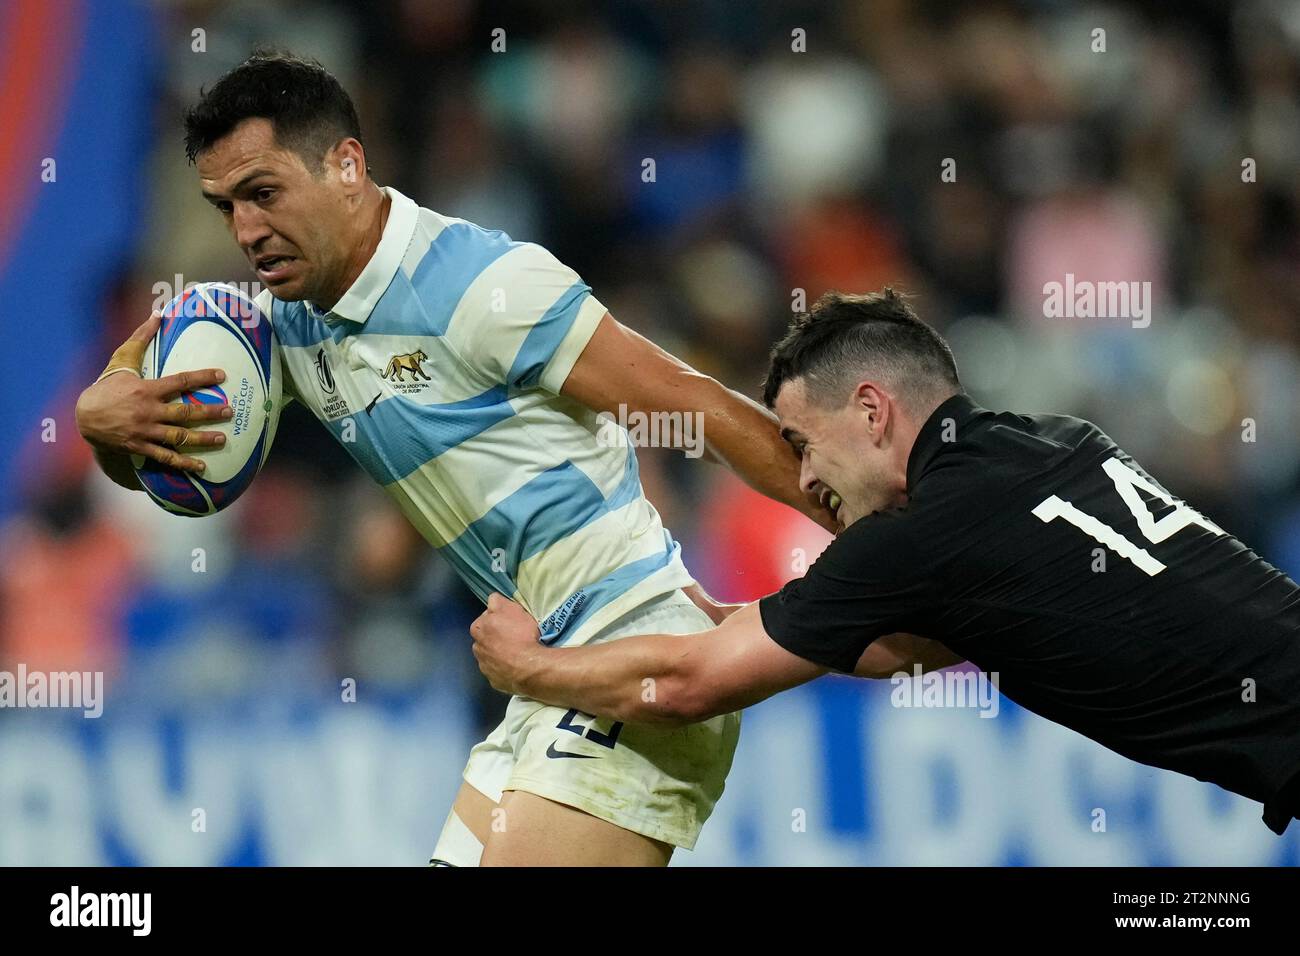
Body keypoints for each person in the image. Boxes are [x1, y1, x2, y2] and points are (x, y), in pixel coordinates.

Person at [73, 50, 836, 866]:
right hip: (539, 684)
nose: (248, 230)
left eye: (264, 193)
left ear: (346, 166)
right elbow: (180, 474)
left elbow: (703, 415)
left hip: (631, 645)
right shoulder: (284, 329)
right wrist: (102, 426)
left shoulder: (481, 288)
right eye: (225, 207)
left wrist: (883, 531)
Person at [471, 287, 1300, 836]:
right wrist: (733, 619)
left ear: (871, 410)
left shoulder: (923, 535)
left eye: (801, 444)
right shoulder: (1051, 440)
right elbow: (912, 643)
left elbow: (690, 687)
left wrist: (534, 669)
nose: (801, 480)